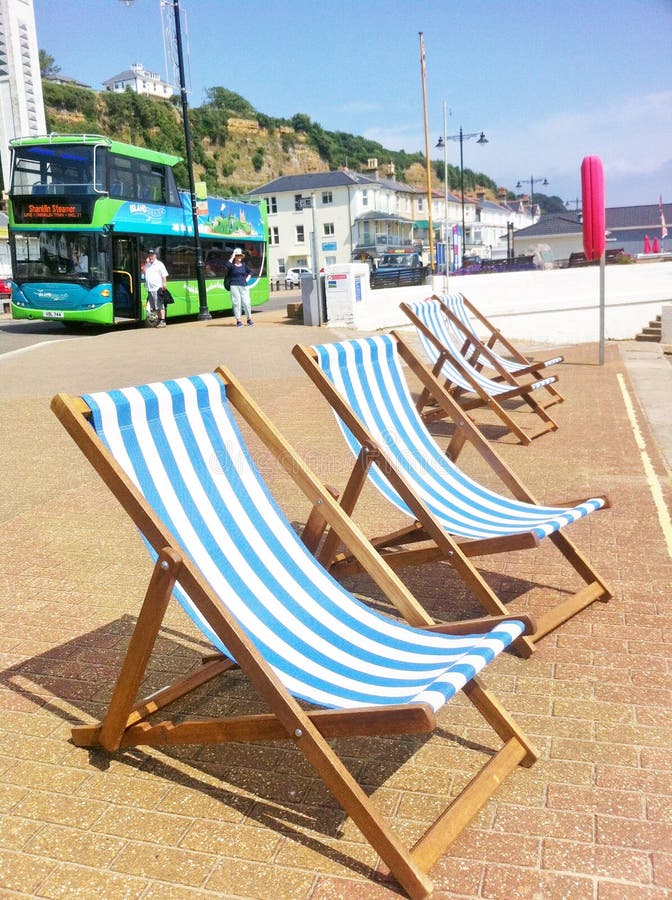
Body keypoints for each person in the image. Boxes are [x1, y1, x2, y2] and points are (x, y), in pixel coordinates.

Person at [225, 247, 253, 326]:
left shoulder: (244, 265)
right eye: (237, 256)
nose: (239, 257)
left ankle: (249, 319)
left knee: (246, 302)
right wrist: (233, 256)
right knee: (236, 303)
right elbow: (227, 265)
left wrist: (247, 279)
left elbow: (250, 272)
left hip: (243, 285)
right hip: (234, 286)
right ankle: (238, 320)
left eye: (240, 256)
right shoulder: (232, 266)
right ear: (235, 257)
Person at [144, 248, 169, 327]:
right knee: (154, 306)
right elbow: (143, 271)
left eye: (152, 255)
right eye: (149, 255)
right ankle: (159, 320)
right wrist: (146, 262)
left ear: (155, 256)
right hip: (150, 288)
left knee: (160, 305)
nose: (150, 257)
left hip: (157, 288)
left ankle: (163, 321)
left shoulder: (159, 264)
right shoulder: (147, 265)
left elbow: (164, 275)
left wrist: (164, 284)